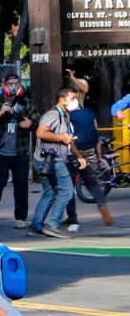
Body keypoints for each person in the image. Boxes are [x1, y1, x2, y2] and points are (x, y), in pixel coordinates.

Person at [0, 74, 36, 227]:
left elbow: (36, 121)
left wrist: (30, 123)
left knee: (21, 186)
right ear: (4, 85)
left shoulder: (26, 102)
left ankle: (21, 217)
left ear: (20, 86)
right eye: (10, 83)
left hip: (20, 151)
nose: (13, 86)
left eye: (16, 83)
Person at [30, 87, 85, 238]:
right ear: (62, 99)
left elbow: (68, 138)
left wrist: (78, 155)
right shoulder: (53, 114)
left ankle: (36, 225)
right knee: (67, 191)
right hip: (51, 160)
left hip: (47, 160)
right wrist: (62, 138)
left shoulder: (65, 115)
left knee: (50, 192)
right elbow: (40, 133)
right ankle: (52, 224)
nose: (75, 101)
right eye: (73, 98)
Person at [64, 89, 114, 230]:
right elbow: (97, 137)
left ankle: (73, 219)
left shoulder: (67, 116)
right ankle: (102, 206)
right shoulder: (89, 114)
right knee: (93, 185)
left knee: (69, 187)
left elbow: (68, 139)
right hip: (90, 153)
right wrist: (98, 156)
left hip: (73, 155)